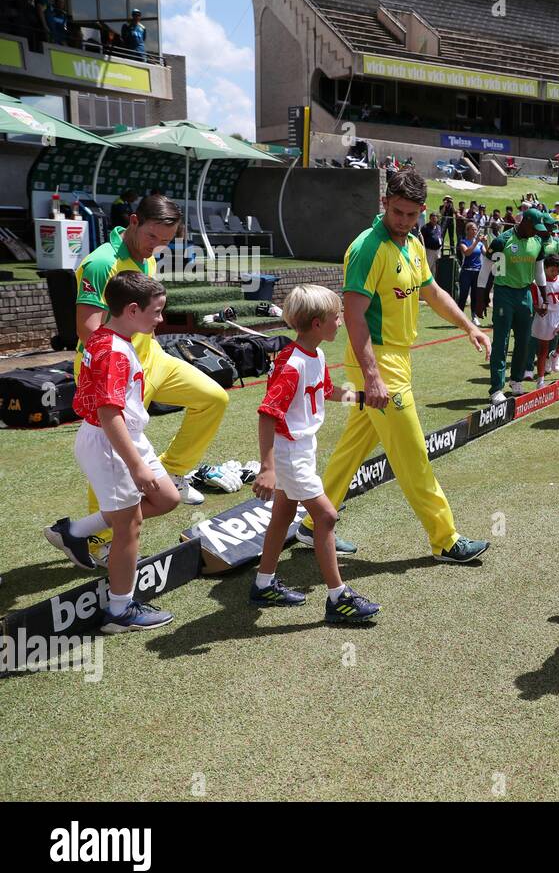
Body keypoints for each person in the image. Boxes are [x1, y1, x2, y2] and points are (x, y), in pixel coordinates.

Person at [301, 169, 492, 564]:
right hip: (377, 359)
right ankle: (445, 539)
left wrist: (468, 325)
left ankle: (311, 523)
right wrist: (371, 375)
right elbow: (353, 315)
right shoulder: (367, 248)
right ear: (384, 203)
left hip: (400, 357)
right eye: (397, 211)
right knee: (412, 452)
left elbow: (433, 292)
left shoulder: (414, 243)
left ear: (422, 211)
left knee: (356, 444)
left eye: (411, 214)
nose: (403, 220)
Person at [44, 195, 227, 571]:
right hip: (116, 367)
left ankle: (173, 472)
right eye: (153, 236)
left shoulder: (147, 254)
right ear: (132, 221)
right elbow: (88, 329)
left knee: (213, 398)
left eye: (166, 240)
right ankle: (98, 539)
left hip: (151, 359)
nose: (157, 245)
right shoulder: (100, 263)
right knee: (110, 459)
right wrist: (126, 361)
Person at [45, 273, 180, 630]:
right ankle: (120, 611)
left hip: (124, 437)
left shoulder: (110, 336)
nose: (161, 319)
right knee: (129, 525)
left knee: (166, 498)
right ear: (133, 310)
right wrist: (135, 464)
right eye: (157, 311)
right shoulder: (113, 350)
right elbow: (108, 414)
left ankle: (74, 531)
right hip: (110, 443)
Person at [250, 285, 377, 622]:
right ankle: (338, 599)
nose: (341, 322)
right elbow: (267, 413)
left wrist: (362, 398)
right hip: (290, 452)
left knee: (283, 512)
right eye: (337, 317)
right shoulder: (291, 364)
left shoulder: (316, 355)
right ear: (318, 323)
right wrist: (267, 466)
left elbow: (326, 391)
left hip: (303, 449)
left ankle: (263, 584)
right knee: (326, 517)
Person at [484, 208, 547, 402]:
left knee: (524, 341)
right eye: (534, 227)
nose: (536, 232)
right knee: (501, 341)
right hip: (504, 293)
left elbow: (539, 273)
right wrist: (483, 297)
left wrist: (543, 298)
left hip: (525, 294)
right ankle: (496, 388)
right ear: (525, 222)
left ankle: (516, 380)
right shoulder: (502, 241)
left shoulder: (537, 242)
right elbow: (489, 271)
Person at [531, 254, 559, 387]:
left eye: (557, 270)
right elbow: (534, 302)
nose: (555, 273)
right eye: (552, 270)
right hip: (545, 316)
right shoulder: (537, 283)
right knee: (543, 350)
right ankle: (540, 380)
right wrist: (538, 309)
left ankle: (555, 355)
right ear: (545, 269)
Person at [456, 221, 485, 324]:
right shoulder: (463, 242)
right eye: (472, 229)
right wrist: (476, 242)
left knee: (475, 295)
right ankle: (459, 317)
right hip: (466, 272)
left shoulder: (480, 243)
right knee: (463, 294)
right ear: (467, 230)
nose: (475, 231)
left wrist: (485, 243)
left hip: (477, 271)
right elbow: (467, 253)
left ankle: (474, 316)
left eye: (476, 229)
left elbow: (487, 254)